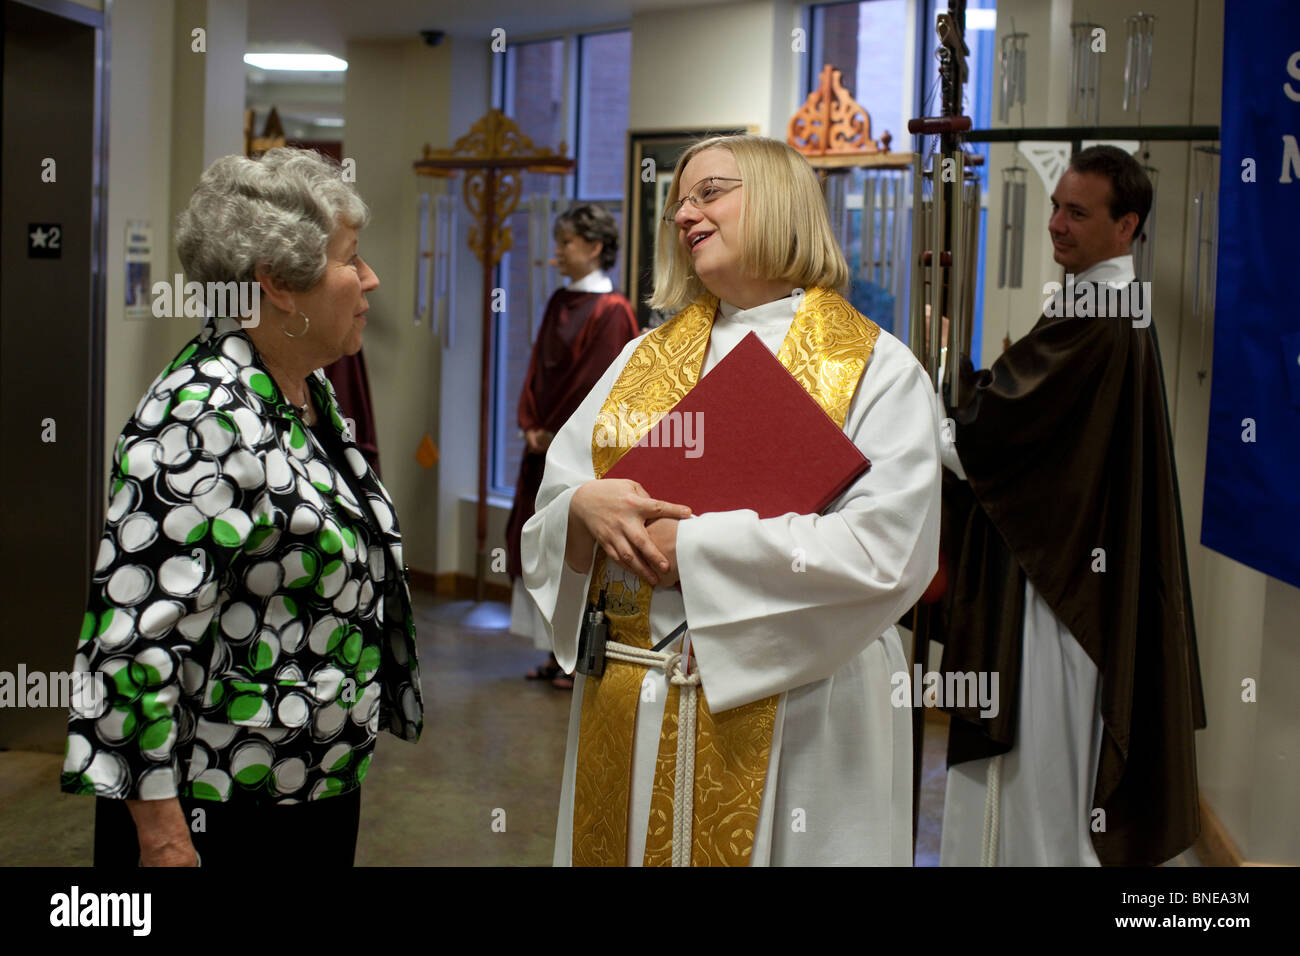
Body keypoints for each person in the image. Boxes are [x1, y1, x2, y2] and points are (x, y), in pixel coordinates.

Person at [521, 134, 940, 866]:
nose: (685, 214)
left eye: (709, 192)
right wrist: (582, 511)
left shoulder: (873, 367)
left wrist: (697, 549)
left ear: (781, 202)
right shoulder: (642, 359)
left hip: (803, 713)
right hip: (637, 695)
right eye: (679, 200)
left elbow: (888, 552)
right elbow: (558, 498)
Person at [61, 147, 423, 867]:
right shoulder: (201, 419)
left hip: (307, 788)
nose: (371, 279)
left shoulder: (301, 392)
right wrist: (164, 840)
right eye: (352, 259)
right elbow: (128, 646)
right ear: (278, 286)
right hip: (219, 809)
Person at [935, 145, 1205, 866]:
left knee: (1039, 773)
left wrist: (923, 423)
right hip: (1079, 573)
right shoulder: (1113, 304)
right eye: (1055, 206)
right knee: (1058, 771)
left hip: (1056, 591)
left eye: (1076, 213)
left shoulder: (1097, 310)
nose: (1056, 223)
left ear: (1127, 227)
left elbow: (991, 438)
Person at [506, 204, 638, 689]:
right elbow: (538, 366)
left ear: (595, 247)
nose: (557, 252)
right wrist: (530, 422)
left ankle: (574, 652)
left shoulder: (613, 311)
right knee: (536, 533)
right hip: (540, 444)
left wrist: (556, 433)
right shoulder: (559, 299)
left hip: (575, 454)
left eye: (566, 243)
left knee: (573, 547)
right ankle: (548, 650)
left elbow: (596, 388)